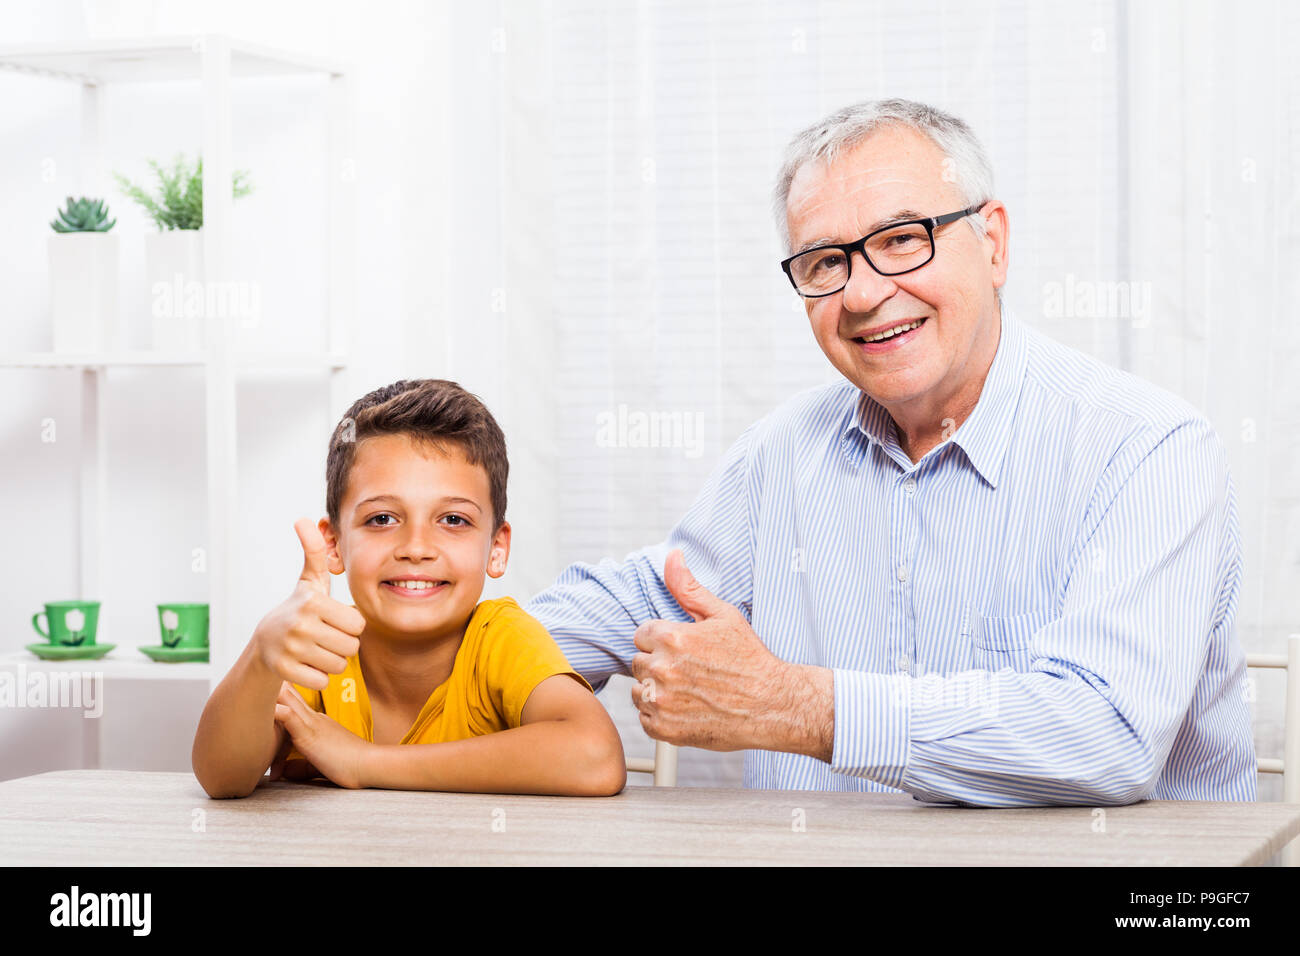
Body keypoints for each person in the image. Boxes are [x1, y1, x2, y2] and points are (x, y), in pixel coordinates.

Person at [524, 98, 1256, 806]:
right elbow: (635, 608)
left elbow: (1106, 734)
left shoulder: (1150, 449)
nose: (866, 293)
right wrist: (425, 632)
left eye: (903, 238)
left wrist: (798, 707)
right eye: (824, 262)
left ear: (993, 244)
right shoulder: (779, 456)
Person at [192, 379, 626, 798]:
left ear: (496, 548)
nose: (416, 548)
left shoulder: (502, 639)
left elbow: (596, 756)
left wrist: (363, 763)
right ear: (334, 544)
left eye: (453, 520)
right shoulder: (318, 650)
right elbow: (223, 778)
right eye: (382, 519)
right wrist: (261, 654)